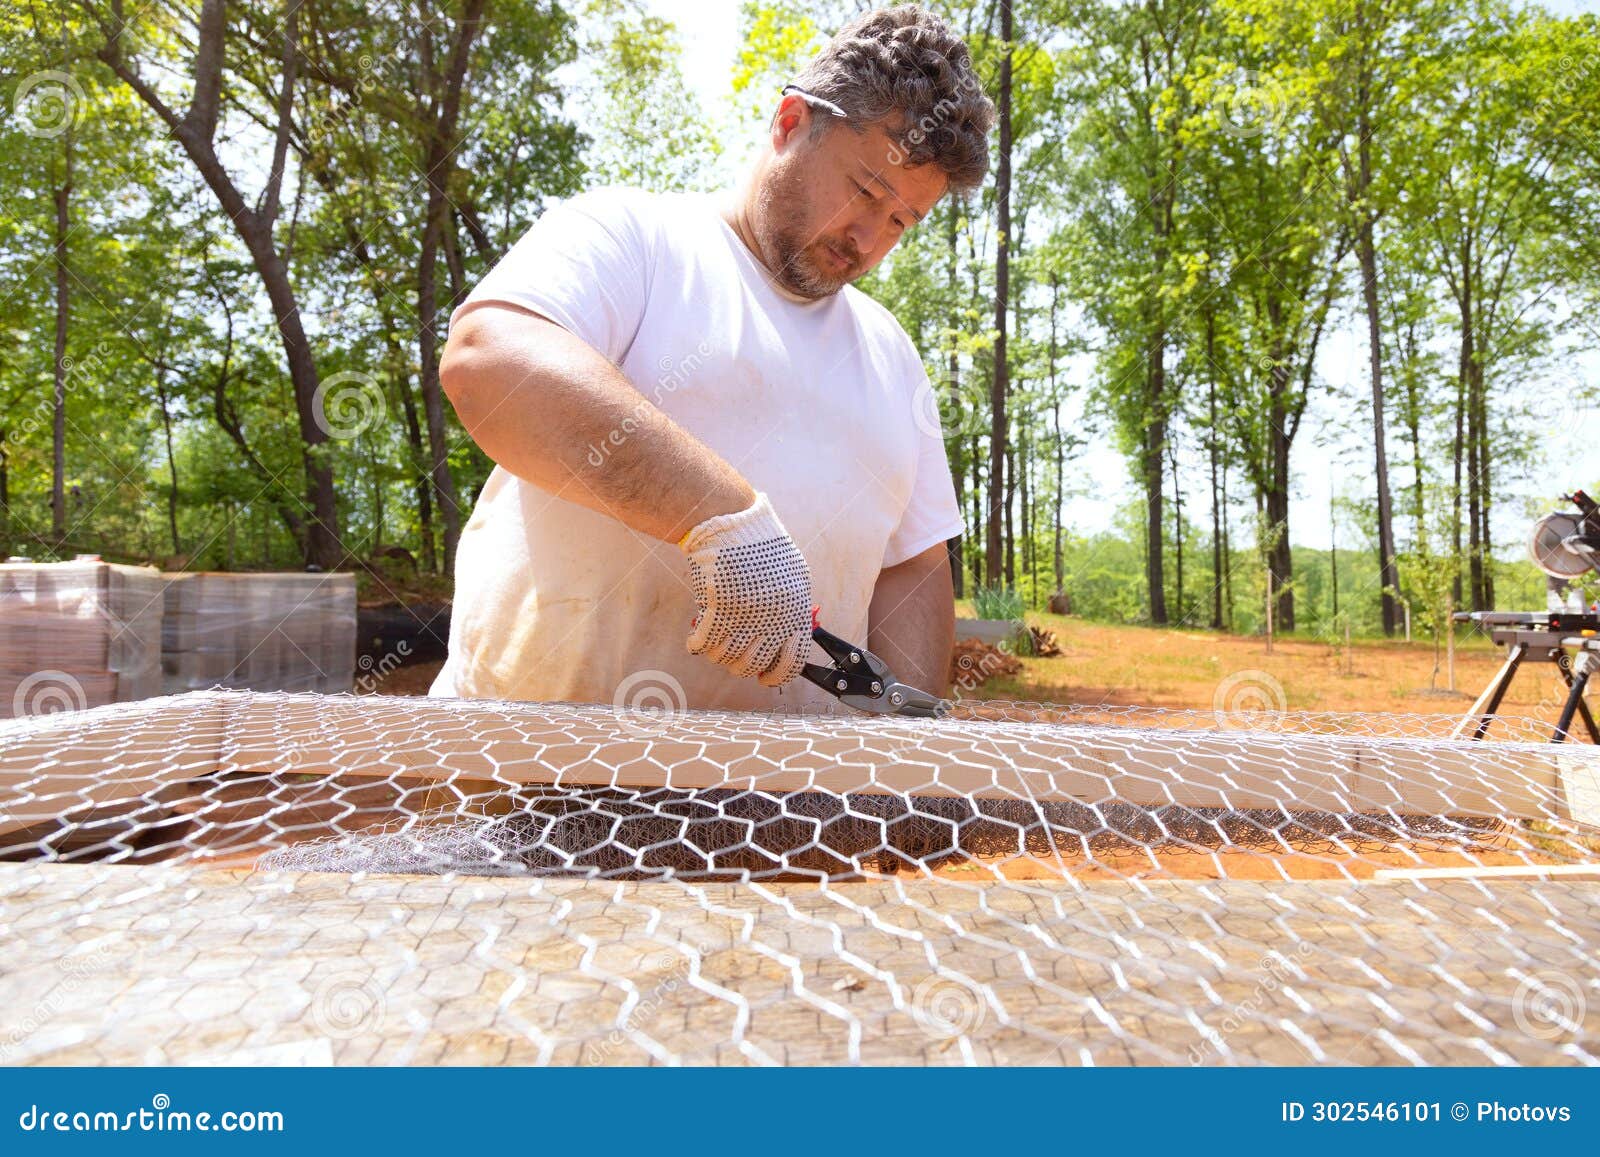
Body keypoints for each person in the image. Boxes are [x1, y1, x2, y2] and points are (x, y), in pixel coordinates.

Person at [430, 5, 995, 713]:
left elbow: (910, 565)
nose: (868, 241)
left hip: (794, 814)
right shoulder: (633, 236)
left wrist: (909, 753)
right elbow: (490, 362)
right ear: (791, 122)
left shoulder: (892, 354)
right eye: (865, 192)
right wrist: (722, 522)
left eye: (899, 222)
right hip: (528, 779)